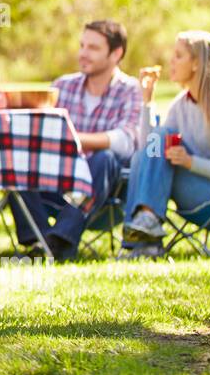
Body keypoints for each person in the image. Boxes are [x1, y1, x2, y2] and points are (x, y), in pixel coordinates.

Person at [120, 30, 210, 258]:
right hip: (199, 191)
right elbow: (149, 150)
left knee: (157, 146)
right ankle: (145, 233)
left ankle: (137, 236)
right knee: (153, 145)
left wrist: (189, 162)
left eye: (178, 56)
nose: (171, 62)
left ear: (196, 63)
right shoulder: (181, 104)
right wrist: (147, 101)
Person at [10, 20, 143, 260]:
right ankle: (40, 241)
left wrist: (73, 140)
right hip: (57, 180)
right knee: (15, 156)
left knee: (106, 157)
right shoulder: (62, 86)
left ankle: (58, 241)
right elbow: (42, 132)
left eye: (93, 48)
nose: (83, 53)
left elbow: (127, 139)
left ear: (116, 53)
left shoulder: (131, 89)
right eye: (82, 45)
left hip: (103, 190)